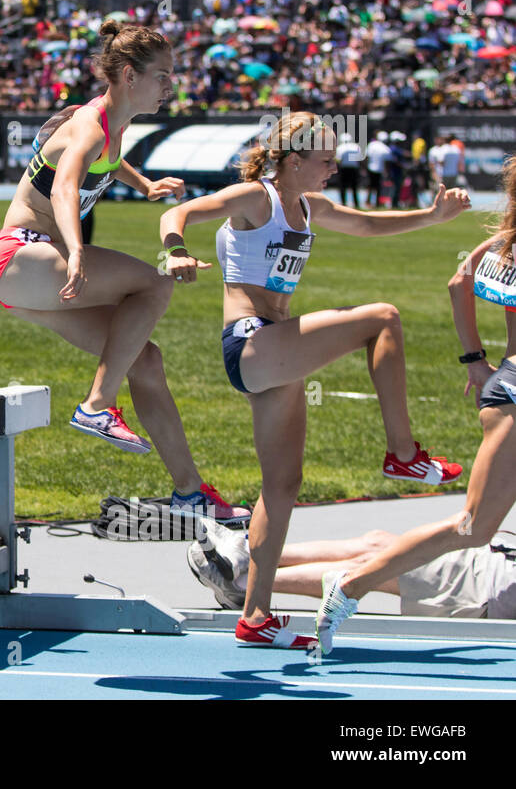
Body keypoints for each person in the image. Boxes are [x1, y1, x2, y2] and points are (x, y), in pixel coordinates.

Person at [160, 109, 471, 647]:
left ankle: (254, 616)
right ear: (295, 160)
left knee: (282, 489)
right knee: (383, 316)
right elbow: (182, 212)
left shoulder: (310, 206)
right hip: (252, 342)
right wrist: (176, 251)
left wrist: (432, 217)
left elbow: (368, 223)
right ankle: (403, 452)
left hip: (278, 354)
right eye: (326, 161)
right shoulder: (256, 198)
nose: (334, 169)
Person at [0, 21, 247, 524]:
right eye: (163, 77)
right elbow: (64, 188)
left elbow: (110, 158)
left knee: (145, 359)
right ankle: (98, 405)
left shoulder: (112, 122)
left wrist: (142, 183)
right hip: (20, 256)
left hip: (27, 275)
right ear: (129, 75)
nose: (171, 87)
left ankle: (189, 493)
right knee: (154, 281)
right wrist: (77, 251)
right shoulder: (89, 127)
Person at [316, 155, 516, 651]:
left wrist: (474, 359)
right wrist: (474, 360)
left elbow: (458, 283)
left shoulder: (505, 241)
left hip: (504, 385)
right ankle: (350, 586)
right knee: (474, 526)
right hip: (513, 400)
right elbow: (459, 283)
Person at [188, 517, 515, 620]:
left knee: (377, 567)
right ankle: (243, 554)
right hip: (497, 556)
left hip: (490, 587)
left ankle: (245, 585)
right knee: (378, 543)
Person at [334, 131, 362, 208]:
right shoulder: (355, 146)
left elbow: (338, 160)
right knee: (354, 187)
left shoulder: (340, 148)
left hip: (344, 169)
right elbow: (359, 159)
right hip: (354, 169)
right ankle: (356, 203)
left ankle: (343, 203)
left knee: (343, 187)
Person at [363, 130, 390, 208]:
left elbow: (366, 157)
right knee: (378, 187)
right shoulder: (385, 148)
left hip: (370, 168)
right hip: (380, 170)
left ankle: (368, 202)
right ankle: (377, 203)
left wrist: (365, 168)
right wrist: (386, 171)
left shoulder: (371, 145)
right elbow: (386, 161)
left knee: (370, 186)